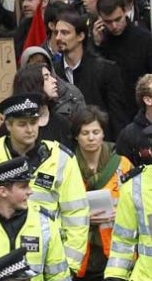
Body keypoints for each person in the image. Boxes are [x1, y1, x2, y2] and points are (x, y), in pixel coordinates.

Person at [0, 94, 88, 275]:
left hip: (46, 255)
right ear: (8, 125)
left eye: (33, 122)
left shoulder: (62, 158)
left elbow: (76, 213)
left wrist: (69, 265)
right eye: (22, 124)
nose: (30, 129)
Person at [73, 106, 131, 281]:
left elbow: (136, 203)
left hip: (115, 252)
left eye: (95, 132)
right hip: (81, 252)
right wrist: (84, 217)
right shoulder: (67, 167)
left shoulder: (122, 164)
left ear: (103, 134)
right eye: (85, 133)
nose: (91, 138)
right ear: (76, 136)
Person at [52, 11, 128, 137]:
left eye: (65, 33)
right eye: (56, 33)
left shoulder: (105, 70)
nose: (58, 37)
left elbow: (118, 117)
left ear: (80, 36)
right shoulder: (53, 73)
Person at [94, 0, 152, 119]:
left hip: (138, 112)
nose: (114, 26)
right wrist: (97, 45)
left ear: (125, 12)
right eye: (108, 22)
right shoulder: (99, 41)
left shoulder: (145, 39)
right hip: (109, 112)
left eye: (118, 19)